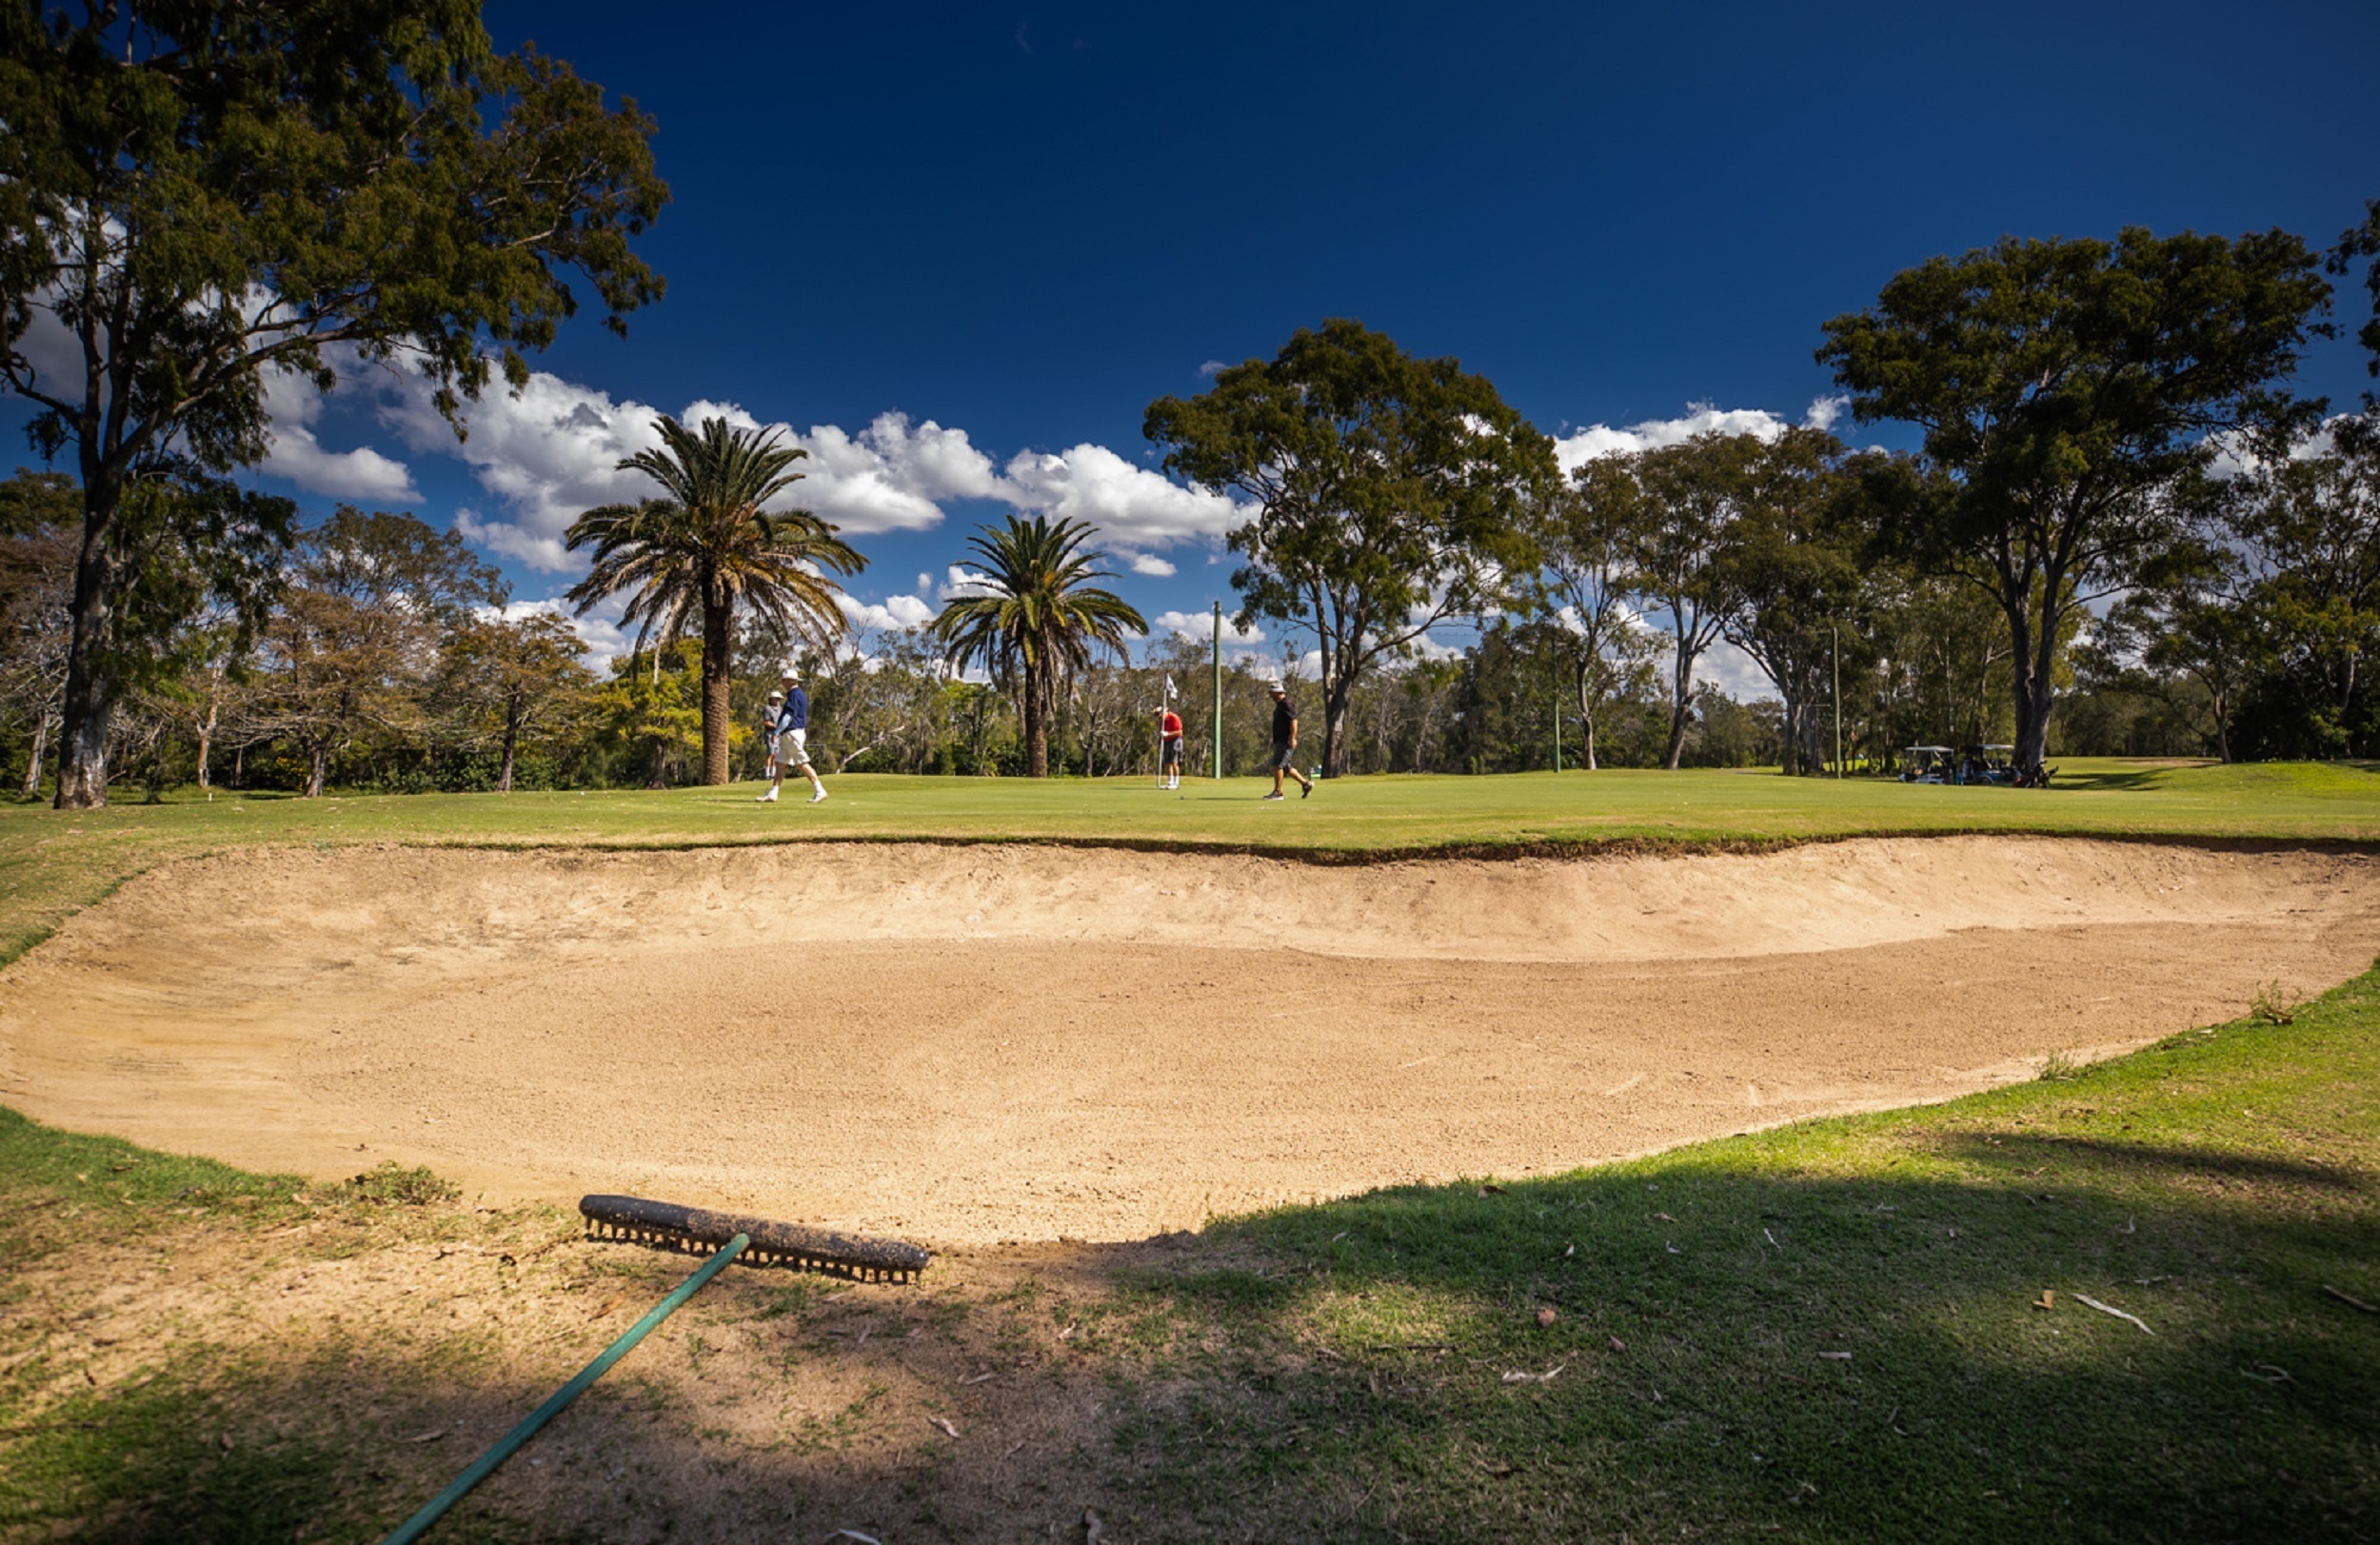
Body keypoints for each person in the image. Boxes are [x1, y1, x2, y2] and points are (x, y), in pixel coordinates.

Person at [759, 665, 828, 803]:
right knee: (780, 763)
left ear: (790, 681)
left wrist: (777, 732)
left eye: (784, 680)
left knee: (801, 763)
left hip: (792, 732)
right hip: (790, 733)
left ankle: (820, 790)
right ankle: (773, 792)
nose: (782, 683)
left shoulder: (794, 694)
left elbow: (788, 716)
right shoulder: (797, 694)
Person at [1263, 679, 1314, 801]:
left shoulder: (1286, 704)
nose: (1270, 695)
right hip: (1280, 740)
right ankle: (1305, 784)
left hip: (1285, 741)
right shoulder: (1280, 705)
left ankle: (1278, 793)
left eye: (1271, 692)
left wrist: (1293, 738)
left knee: (1278, 765)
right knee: (1285, 767)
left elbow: (1294, 721)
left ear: (1277, 692)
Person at [759, 690, 783, 784]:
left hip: (778, 734)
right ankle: (767, 773)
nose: (777, 701)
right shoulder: (768, 709)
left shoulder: (780, 709)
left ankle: (773, 773)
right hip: (770, 733)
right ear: (771, 699)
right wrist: (775, 726)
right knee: (770, 753)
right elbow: (766, 721)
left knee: (776, 754)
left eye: (778, 699)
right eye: (776, 699)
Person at [1159, 703, 1184, 790]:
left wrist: (1168, 734)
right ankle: (1170, 781)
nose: (1160, 717)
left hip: (1176, 741)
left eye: (1161, 715)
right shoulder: (1162, 721)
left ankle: (1176, 783)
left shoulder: (1174, 718)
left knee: (1174, 762)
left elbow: (1179, 732)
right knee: (1167, 762)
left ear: (1165, 712)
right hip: (1167, 741)